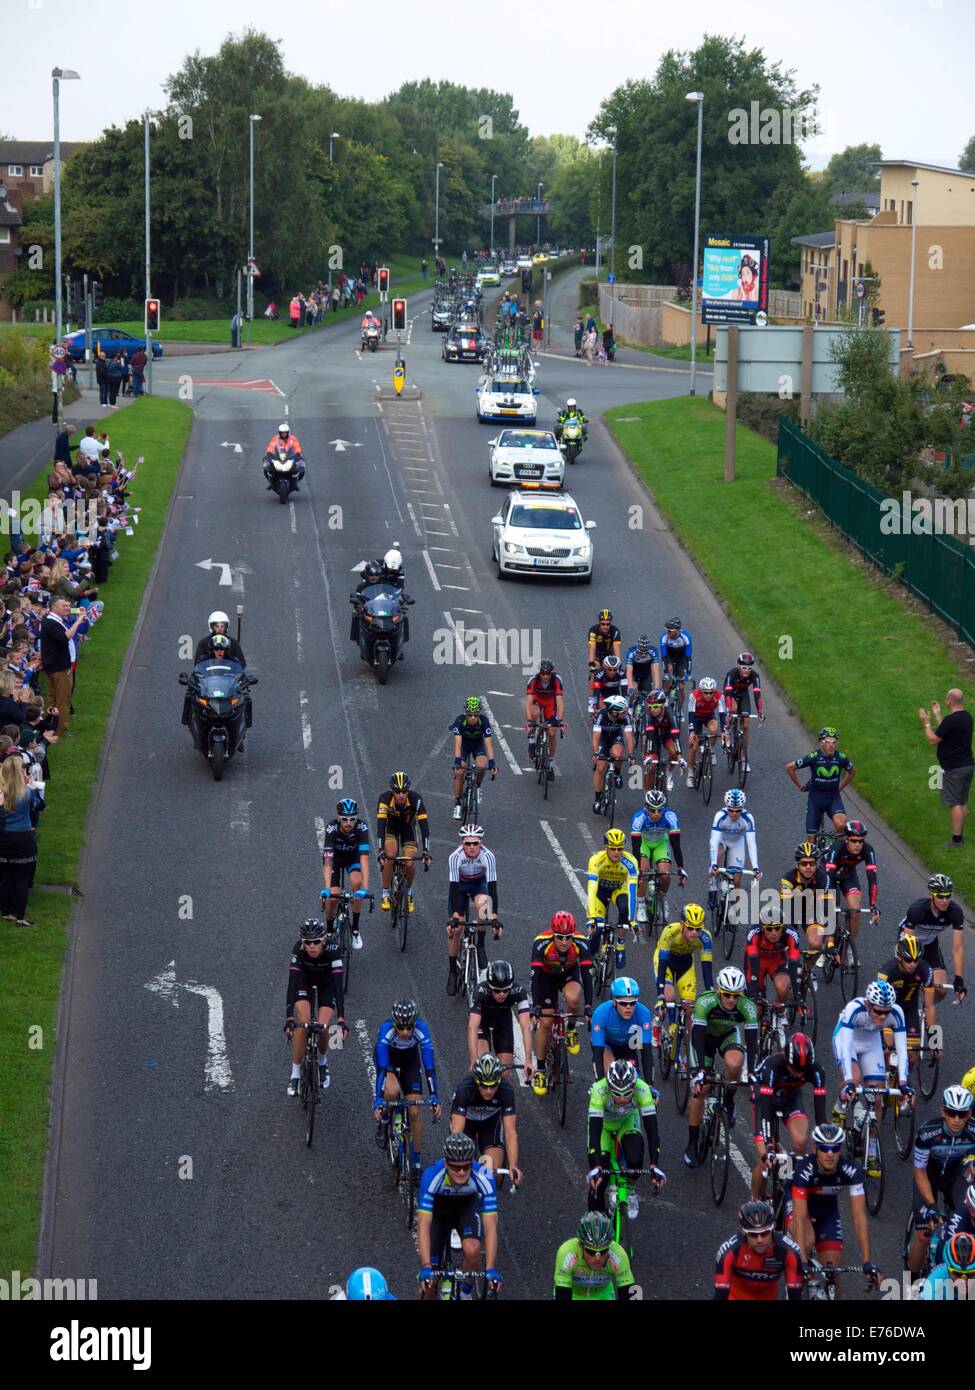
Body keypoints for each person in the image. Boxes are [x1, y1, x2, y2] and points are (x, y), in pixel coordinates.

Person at [789, 1123, 879, 1293]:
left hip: (827, 1211)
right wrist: (802, 1260)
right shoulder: (804, 1171)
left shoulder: (852, 1170)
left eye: (835, 1148)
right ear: (815, 1148)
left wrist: (867, 1261)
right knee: (807, 1241)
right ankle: (794, 1288)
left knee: (833, 1274)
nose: (829, 1154)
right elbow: (800, 1219)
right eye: (824, 1148)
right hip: (801, 1208)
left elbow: (859, 1219)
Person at [685, 965, 758, 1168]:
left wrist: (752, 1073)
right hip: (704, 1040)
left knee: (735, 1064)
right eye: (727, 994)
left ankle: (729, 1101)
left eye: (736, 996)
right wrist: (700, 1071)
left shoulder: (747, 1006)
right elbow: (698, 1037)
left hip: (727, 1036)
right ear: (718, 990)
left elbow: (752, 1042)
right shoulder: (705, 1002)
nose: (731, 1000)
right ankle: (692, 1142)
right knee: (702, 1089)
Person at [417, 1132, 499, 1300]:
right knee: (427, 1285)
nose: (461, 1172)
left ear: (472, 1163)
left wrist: (490, 1268)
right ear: (446, 1163)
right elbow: (423, 1225)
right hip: (439, 1212)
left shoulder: (484, 1176)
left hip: (466, 1208)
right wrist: (426, 1266)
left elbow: (490, 1227)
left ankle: (465, 1292)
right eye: (455, 1167)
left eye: (466, 1166)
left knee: (473, 1249)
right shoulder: (431, 1175)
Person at [906, 1085, 975, 1275]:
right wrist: (931, 1205)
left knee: (967, 1229)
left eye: (962, 1115)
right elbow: (919, 1172)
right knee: (923, 1235)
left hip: (956, 1179)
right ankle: (909, 1283)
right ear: (943, 1111)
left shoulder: (973, 1132)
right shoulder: (927, 1132)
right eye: (951, 1113)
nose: (956, 1120)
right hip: (928, 1177)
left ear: (969, 1114)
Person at [750, 1033, 827, 1199]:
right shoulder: (772, 1066)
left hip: (790, 1099)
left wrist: (822, 1142)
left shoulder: (817, 1070)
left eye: (803, 1070)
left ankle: (791, 1191)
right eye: (795, 1068)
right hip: (765, 1100)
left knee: (800, 1142)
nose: (799, 1074)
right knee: (765, 1161)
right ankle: (755, 1201)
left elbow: (821, 1115)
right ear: (786, 1059)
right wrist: (769, 1146)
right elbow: (765, 1110)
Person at [586, 1060, 666, 1219]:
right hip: (604, 1126)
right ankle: (596, 1222)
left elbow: (652, 1131)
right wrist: (596, 1166)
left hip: (627, 1121)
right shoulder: (598, 1091)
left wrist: (654, 1164)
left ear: (634, 1086)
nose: (622, 1099)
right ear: (609, 1088)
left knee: (635, 1159)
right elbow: (594, 1133)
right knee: (599, 1182)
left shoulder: (642, 1090)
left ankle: (630, 1190)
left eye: (627, 1093)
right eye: (617, 1094)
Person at [373, 998, 441, 1175]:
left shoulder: (422, 1029)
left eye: (409, 1028)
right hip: (388, 1062)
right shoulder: (385, 1030)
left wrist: (434, 1096)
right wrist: (379, 1100)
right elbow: (381, 1070)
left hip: (410, 1062)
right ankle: (385, 1119)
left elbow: (429, 1068)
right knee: (392, 1090)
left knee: (415, 1112)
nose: (405, 1032)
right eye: (401, 1028)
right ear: (394, 1024)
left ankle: (417, 1163)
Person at [530, 910, 593, 1094]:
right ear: (553, 934)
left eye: (568, 937)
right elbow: (535, 978)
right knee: (547, 1022)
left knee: (574, 999)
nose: (564, 942)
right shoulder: (541, 943)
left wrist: (588, 1006)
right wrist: (537, 1007)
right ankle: (540, 1070)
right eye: (560, 937)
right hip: (546, 979)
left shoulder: (582, 943)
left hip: (568, 975)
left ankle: (571, 1029)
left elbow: (587, 976)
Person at [284, 918, 347, 1094]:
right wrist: (289, 1017)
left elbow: (338, 986)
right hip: (304, 982)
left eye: (316, 942)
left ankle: (323, 1063)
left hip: (327, 984)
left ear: (324, 940)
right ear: (302, 942)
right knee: (302, 1023)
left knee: (324, 1027)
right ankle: (295, 1074)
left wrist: (341, 1019)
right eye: (308, 942)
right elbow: (292, 984)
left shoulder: (334, 950)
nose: (312, 946)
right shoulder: (298, 949)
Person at [450, 1052, 521, 1184]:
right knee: (462, 1169)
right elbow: (457, 1134)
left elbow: (511, 1133)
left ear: (499, 1082)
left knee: (493, 1174)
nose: (488, 1090)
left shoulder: (506, 1091)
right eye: (484, 1085)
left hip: (490, 1124)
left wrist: (513, 1165)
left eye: (493, 1085)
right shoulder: (465, 1090)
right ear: (477, 1082)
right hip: (467, 1124)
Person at [713, 1200, 805, 1301]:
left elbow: (795, 1296)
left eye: (765, 1233)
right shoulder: (729, 1252)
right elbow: (720, 1294)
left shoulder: (790, 1252)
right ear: (743, 1231)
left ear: (773, 1227)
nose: (760, 1240)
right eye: (753, 1234)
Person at [897, 873, 967, 1003]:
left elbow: (957, 948)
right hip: (909, 941)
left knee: (941, 990)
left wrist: (959, 978)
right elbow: (907, 942)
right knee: (907, 979)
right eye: (940, 896)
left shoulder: (955, 912)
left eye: (948, 896)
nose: (944, 901)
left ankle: (925, 1011)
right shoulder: (917, 910)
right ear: (931, 895)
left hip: (930, 944)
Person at [447, 824, 500, 991]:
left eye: (475, 843)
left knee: (485, 907)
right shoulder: (454, 857)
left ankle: (481, 945)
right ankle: (452, 970)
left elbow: (492, 888)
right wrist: (455, 916)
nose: (471, 847)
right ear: (462, 843)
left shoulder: (488, 856)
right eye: (467, 843)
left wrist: (495, 917)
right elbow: (453, 888)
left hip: (479, 885)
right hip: (460, 888)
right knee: (455, 930)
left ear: (481, 843)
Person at [919, 689, 973, 847]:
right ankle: (960, 835)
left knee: (954, 803)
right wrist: (938, 715)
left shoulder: (952, 720)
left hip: (954, 768)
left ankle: (957, 840)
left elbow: (933, 739)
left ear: (949, 701)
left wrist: (926, 722)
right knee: (962, 802)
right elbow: (947, 730)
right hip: (967, 765)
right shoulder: (967, 717)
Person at [467, 959, 533, 1084]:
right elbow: (472, 1028)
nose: (501, 994)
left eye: (506, 990)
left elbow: (525, 1027)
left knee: (504, 1075)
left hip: (503, 1022)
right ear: (490, 986)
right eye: (497, 990)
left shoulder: (519, 991)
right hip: (483, 1022)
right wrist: (473, 1060)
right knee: (484, 1068)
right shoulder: (480, 991)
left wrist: (528, 1060)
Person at [0, 752, 45, 926]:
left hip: (4, 837)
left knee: (5, 876)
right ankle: (20, 917)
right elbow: (41, 806)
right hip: (23, 837)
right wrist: (31, 785)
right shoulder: (27, 792)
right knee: (22, 878)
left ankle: (6, 911)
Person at [629, 789, 686, 925]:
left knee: (665, 875)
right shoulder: (638, 818)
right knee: (643, 871)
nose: (657, 814)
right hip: (644, 844)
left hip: (661, 843)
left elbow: (676, 845)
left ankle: (663, 898)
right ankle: (641, 904)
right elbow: (636, 847)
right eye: (653, 810)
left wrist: (681, 868)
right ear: (646, 808)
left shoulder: (670, 816)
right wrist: (637, 869)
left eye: (660, 810)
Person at [319, 798, 371, 949]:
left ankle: (355, 928)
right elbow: (328, 860)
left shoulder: (362, 827)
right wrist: (327, 887)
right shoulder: (331, 828)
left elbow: (364, 858)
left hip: (352, 858)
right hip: (334, 859)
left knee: (357, 883)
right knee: (333, 897)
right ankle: (329, 930)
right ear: (338, 818)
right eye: (345, 819)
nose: (349, 823)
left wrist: (365, 888)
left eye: (352, 819)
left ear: (357, 818)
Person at [786, 726, 855, 837]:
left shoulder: (841, 757)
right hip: (815, 799)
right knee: (811, 842)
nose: (831, 745)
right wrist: (800, 785)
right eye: (827, 742)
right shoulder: (814, 757)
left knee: (841, 825)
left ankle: (836, 850)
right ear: (821, 743)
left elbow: (852, 772)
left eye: (834, 742)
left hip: (833, 798)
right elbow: (790, 767)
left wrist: (840, 787)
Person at [585, 827, 639, 970]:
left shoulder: (631, 862)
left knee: (625, 908)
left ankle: (621, 944)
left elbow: (632, 891)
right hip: (600, 891)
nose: (616, 852)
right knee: (596, 928)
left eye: (620, 849)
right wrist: (591, 918)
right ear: (605, 847)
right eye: (613, 848)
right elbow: (591, 890)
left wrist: (632, 920)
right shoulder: (596, 860)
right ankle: (589, 960)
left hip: (618, 889)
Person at [553, 1211, 637, 1301]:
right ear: (581, 1246)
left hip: (603, 1295)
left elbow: (630, 1294)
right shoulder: (567, 1253)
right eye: (591, 1251)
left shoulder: (618, 1255)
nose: (598, 1258)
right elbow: (562, 1294)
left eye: (603, 1251)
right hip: (573, 1295)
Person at [376, 772, 430, 912]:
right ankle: (385, 893)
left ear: (408, 790)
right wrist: (381, 850)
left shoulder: (416, 799)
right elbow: (381, 825)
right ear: (392, 791)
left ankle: (409, 892)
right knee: (390, 858)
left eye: (404, 791)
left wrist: (426, 851)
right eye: (397, 791)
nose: (401, 795)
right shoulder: (385, 798)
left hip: (408, 829)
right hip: (391, 828)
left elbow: (424, 826)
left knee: (410, 862)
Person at [823, 820, 879, 945]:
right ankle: (827, 944)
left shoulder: (868, 850)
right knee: (829, 908)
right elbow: (829, 876)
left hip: (847, 875)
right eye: (854, 841)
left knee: (855, 911)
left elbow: (872, 878)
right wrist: (829, 899)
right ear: (846, 839)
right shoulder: (837, 847)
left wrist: (873, 905)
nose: (858, 844)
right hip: (828, 874)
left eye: (861, 841)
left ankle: (849, 946)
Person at [590, 977, 654, 1083]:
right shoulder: (600, 1014)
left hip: (628, 1046)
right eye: (623, 1003)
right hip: (606, 1046)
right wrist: (599, 1084)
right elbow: (598, 1053)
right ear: (614, 1002)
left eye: (633, 1003)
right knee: (611, 1077)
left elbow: (646, 1051)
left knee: (632, 1082)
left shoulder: (643, 1013)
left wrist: (650, 1085)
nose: (628, 1007)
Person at [781, 841, 834, 954]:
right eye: (804, 864)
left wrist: (830, 942)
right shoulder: (788, 880)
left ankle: (808, 969)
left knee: (816, 944)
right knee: (788, 946)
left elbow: (827, 910)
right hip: (792, 911)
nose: (808, 867)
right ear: (797, 865)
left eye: (812, 863)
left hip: (811, 911)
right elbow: (786, 911)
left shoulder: (823, 878)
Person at [41, 597, 84, 737]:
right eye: (64, 605)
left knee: (54, 698)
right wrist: (77, 622)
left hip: (56, 666)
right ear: (54, 607)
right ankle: (60, 731)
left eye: (68, 605)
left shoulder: (53, 621)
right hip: (59, 668)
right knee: (62, 700)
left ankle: (49, 726)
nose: (67, 607)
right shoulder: (51, 622)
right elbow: (66, 637)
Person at [449, 696, 497, 819]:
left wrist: (492, 762)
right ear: (466, 714)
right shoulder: (460, 721)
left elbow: (488, 744)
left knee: (482, 765)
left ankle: (478, 785)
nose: (473, 718)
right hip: (464, 746)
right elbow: (458, 744)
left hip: (477, 745)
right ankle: (458, 802)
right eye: (470, 715)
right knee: (460, 771)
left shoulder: (484, 721)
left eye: (476, 715)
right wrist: (457, 761)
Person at [723, 651, 764, 771]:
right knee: (733, 709)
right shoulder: (732, 674)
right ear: (739, 666)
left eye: (749, 668)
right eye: (744, 667)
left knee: (746, 723)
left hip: (743, 695)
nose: (747, 670)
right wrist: (728, 712)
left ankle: (744, 756)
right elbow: (728, 694)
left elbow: (757, 695)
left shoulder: (755, 676)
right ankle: (728, 728)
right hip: (730, 694)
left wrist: (760, 712)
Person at [524, 659, 564, 775]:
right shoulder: (533, 680)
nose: (545, 676)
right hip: (537, 700)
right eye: (543, 673)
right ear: (539, 672)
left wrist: (560, 721)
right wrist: (529, 721)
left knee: (551, 733)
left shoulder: (557, 680)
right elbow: (528, 703)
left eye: (548, 673)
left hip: (550, 703)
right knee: (534, 714)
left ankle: (550, 763)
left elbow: (560, 702)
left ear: (552, 673)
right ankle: (532, 741)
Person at [686, 676, 725, 787]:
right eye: (706, 692)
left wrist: (724, 731)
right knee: (694, 747)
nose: (708, 695)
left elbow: (722, 714)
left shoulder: (719, 696)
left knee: (714, 730)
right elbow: (691, 714)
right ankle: (690, 773)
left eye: (711, 692)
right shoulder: (694, 695)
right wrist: (692, 732)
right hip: (696, 718)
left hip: (708, 716)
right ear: (701, 691)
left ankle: (711, 750)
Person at [922, 1231, 975, 1300]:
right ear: (948, 1269)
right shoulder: (932, 1288)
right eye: (957, 1273)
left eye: (970, 1274)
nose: (963, 1281)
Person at [262, 423, 304, 488]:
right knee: (267, 466)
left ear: (288, 432)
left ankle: (295, 484)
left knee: (299, 467)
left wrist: (298, 452)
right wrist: (269, 451)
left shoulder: (293, 439)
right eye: (282, 433)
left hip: (290, 457)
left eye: (285, 432)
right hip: (278, 457)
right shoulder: (275, 438)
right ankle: (271, 483)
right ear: (279, 433)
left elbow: (296, 446)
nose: (284, 434)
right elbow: (271, 445)